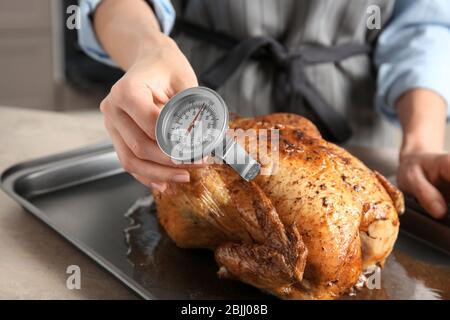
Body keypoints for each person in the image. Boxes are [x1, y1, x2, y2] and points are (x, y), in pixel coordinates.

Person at [78, 0, 450, 218]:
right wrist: (149, 48)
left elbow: (424, 23)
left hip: (358, 130)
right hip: (195, 107)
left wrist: (419, 142)